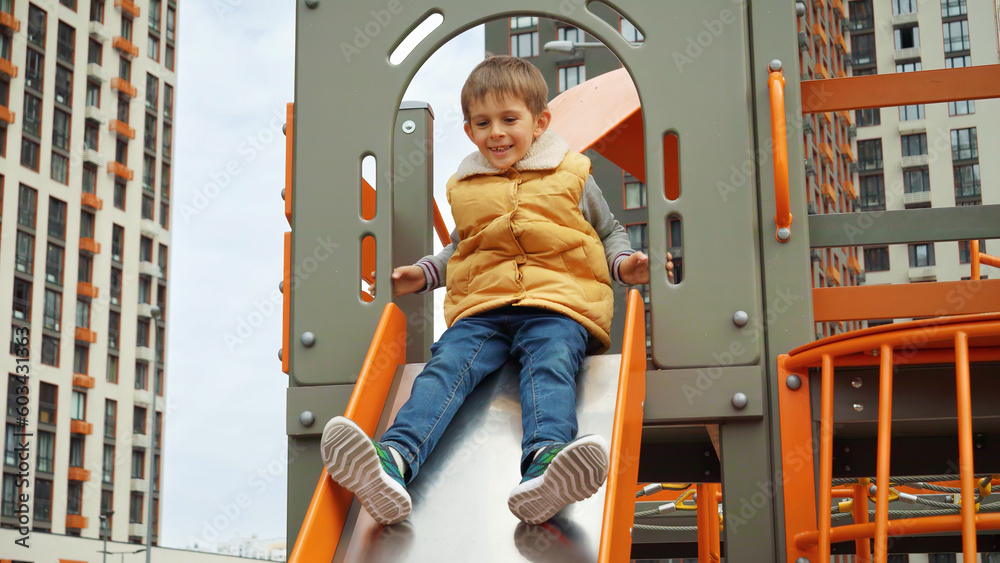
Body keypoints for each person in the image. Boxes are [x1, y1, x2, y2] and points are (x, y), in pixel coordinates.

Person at [321, 55, 669, 527]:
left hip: (556, 304)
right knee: (445, 369)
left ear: (539, 122)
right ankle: (392, 462)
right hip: (482, 310)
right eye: (482, 123)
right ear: (468, 131)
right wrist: (423, 273)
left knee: (550, 364)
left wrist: (626, 265)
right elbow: (462, 247)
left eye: (510, 119)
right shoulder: (466, 186)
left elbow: (607, 231)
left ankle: (547, 466)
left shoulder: (572, 173)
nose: (496, 133)